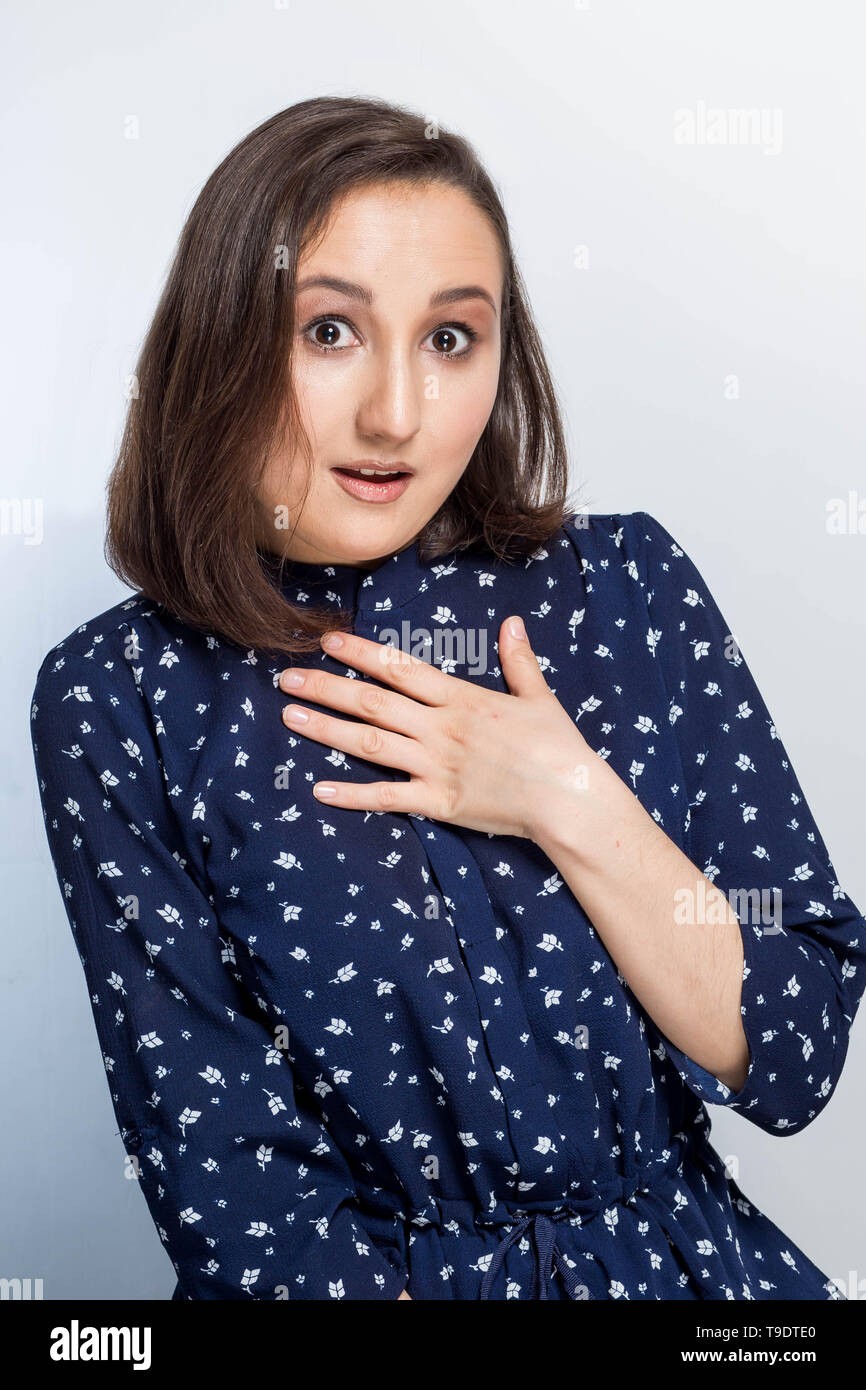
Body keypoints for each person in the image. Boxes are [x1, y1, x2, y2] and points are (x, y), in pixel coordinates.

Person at [30, 95, 865, 1300]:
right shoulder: (121, 698)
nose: (394, 416)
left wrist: (563, 795)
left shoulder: (627, 588)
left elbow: (793, 1051)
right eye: (327, 331)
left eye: (449, 339)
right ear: (218, 341)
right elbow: (240, 1210)